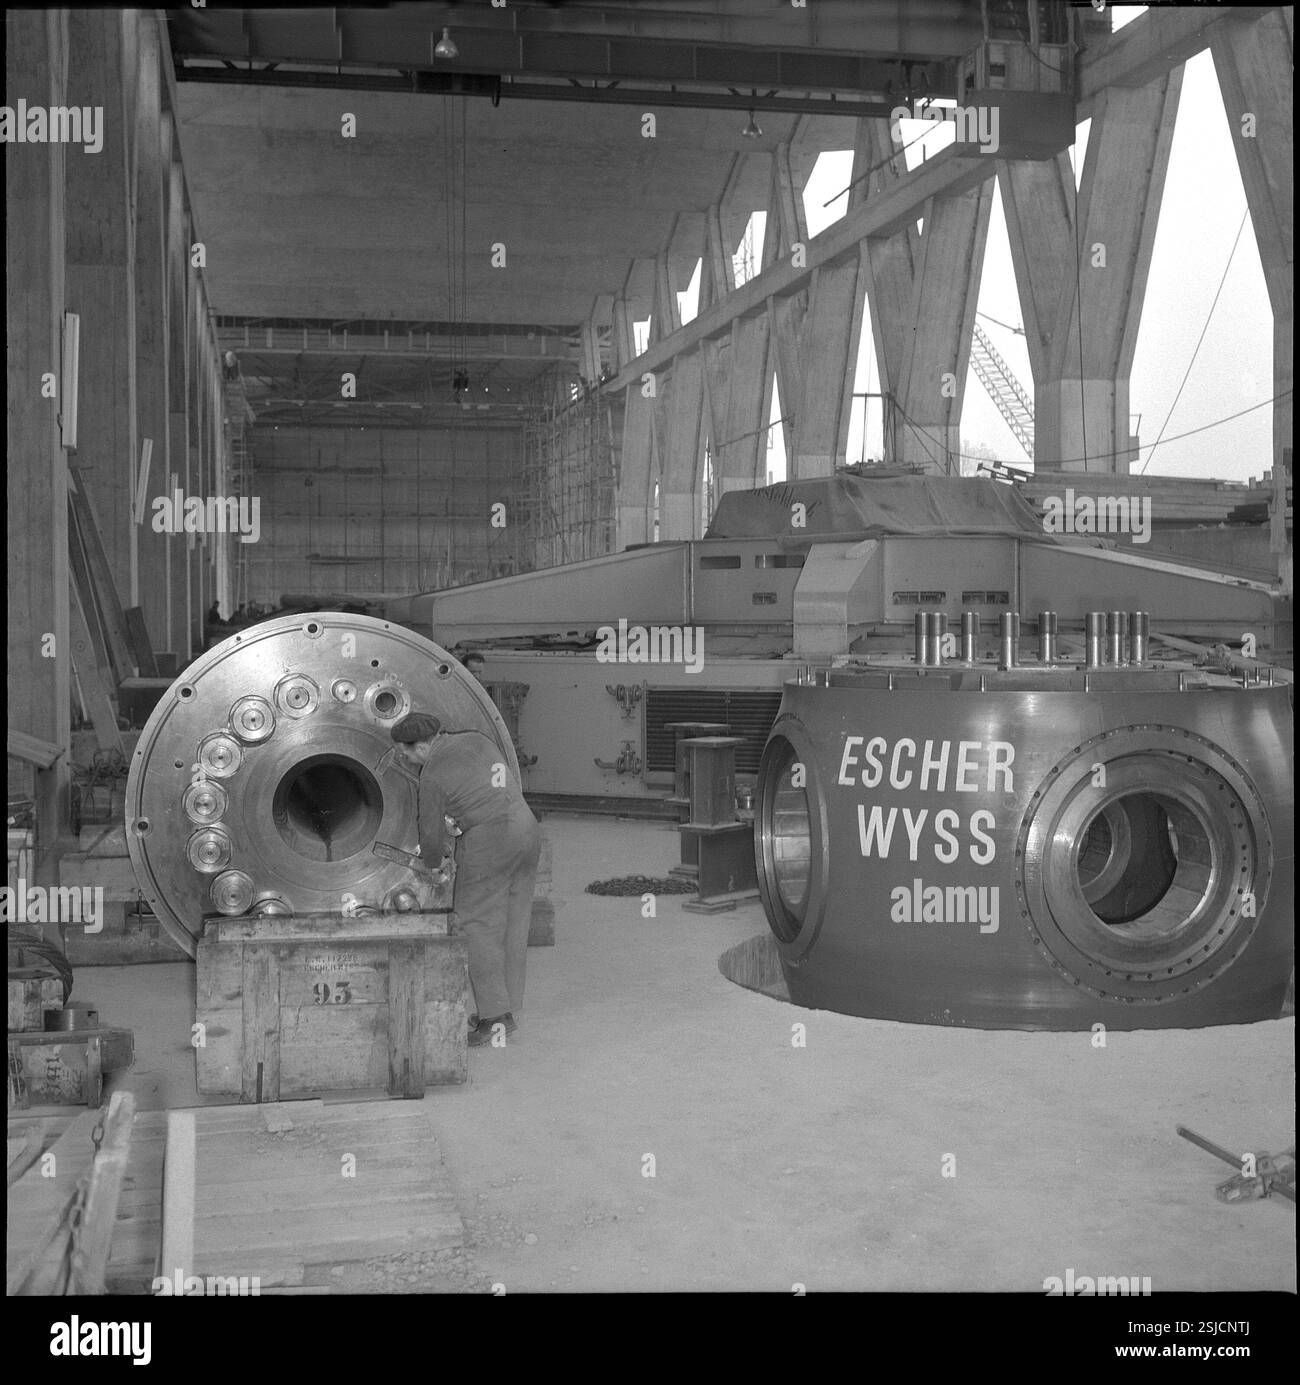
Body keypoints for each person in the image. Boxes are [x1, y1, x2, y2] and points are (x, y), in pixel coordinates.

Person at [390, 711, 540, 1048]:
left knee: (475, 924)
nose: (405, 759)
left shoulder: (432, 775)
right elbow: (492, 784)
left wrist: (430, 863)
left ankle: (494, 1017)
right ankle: (509, 1005)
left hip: (491, 841)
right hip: (525, 827)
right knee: (515, 920)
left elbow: (429, 837)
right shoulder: (476, 739)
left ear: (423, 747)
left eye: (406, 752)